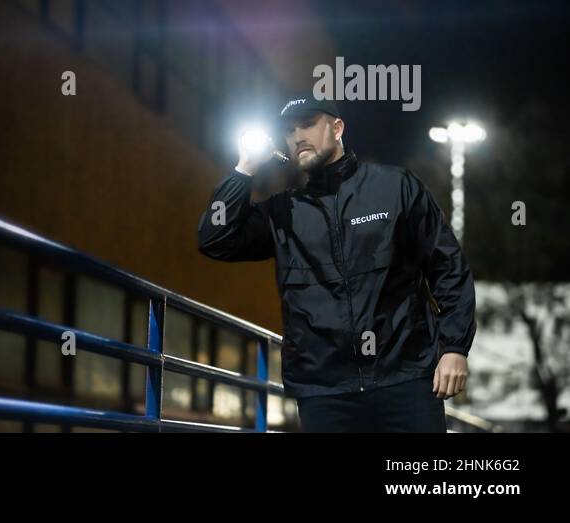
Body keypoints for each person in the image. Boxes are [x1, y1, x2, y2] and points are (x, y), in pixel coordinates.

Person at [196, 96, 476, 432]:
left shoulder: (396, 187)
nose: (298, 135)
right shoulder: (284, 212)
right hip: (325, 393)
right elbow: (215, 238)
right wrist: (244, 172)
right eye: (289, 130)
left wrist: (455, 347)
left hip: (405, 380)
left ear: (338, 127)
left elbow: (448, 267)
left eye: (308, 124)